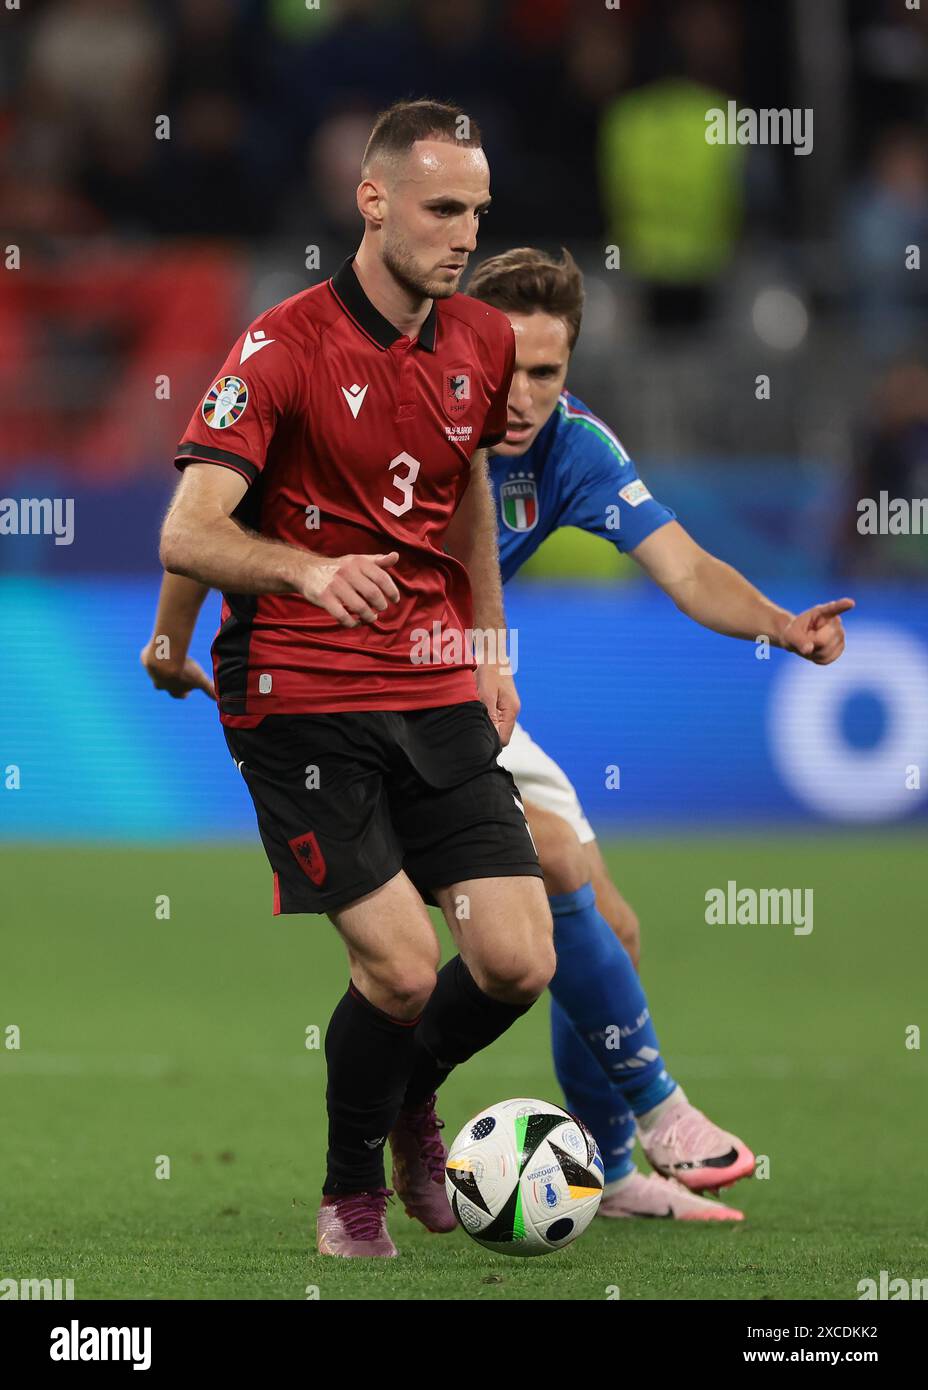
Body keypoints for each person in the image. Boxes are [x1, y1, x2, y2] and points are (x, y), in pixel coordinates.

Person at [152, 100, 556, 1259]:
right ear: (370, 202)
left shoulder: (479, 340)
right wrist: (308, 573)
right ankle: (349, 1193)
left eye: (477, 210)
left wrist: (486, 643)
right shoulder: (279, 348)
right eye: (441, 208)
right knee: (398, 967)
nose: (465, 232)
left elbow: (467, 491)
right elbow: (191, 529)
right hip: (300, 689)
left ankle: (407, 1097)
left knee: (517, 959)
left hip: (432, 679)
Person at [463, 247, 853, 1218]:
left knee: (615, 928)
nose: (520, 395)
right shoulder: (409, 422)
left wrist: (777, 623)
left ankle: (604, 1166)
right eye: (503, 367)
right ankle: (660, 1107)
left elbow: (682, 567)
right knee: (550, 860)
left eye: (546, 373)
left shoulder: (575, 447)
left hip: (468, 691)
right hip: (368, 695)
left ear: (570, 370)